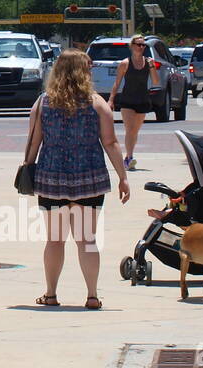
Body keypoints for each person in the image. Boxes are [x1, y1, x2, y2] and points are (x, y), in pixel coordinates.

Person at [25, 48, 129, 310]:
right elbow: (110, 142)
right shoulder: (96, 103)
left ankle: (50, 294)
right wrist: (123, 177)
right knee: (87, 239)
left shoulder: (43, 102)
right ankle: (92, 295)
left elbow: (33, 142)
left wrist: (27, 169)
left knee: (55, 239)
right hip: (89, 177)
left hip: (51, 177)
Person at [107, 34, 159, 170]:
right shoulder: (125, 63)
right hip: (127, 101)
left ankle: (128, 157)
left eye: (143, 45)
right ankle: (130, 157)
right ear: (132, 46)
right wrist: (111, 100)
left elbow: (155, 81)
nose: (141, 47)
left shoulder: (148, 62)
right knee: (129, 129)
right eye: (138, 44)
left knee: (134, 131)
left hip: (143, 100)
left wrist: (152, 66)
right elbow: (117, 83)